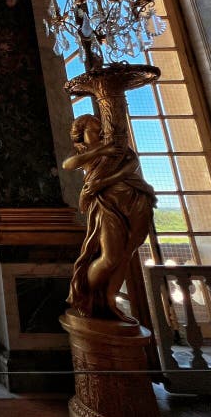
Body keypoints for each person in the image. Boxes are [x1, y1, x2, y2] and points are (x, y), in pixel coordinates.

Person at [63, 114, 156, 321]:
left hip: (132, 198)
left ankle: (110, 301)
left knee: (125, 255)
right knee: (110, 256)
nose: (99, 133)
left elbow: (132, 164)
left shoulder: (116, 144)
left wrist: (108, 180)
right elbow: (69, 164)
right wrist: (103, 150)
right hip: (106, 204)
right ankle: (85, 297)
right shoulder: (84, 150)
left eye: (100, 129)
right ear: (81, 132)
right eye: (93, 129)